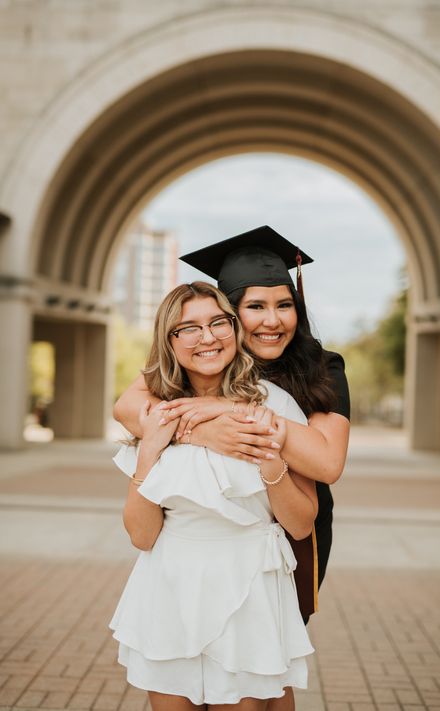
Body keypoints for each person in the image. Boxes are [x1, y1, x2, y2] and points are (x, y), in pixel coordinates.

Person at [114, 226, 350, 711]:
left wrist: (232, 417)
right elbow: (129, 407)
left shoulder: (318, 369)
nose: (271, 321)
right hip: (180, 568)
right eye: (254, 307)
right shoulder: (182, 377)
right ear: (236, 315)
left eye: (284, 305)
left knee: (264, 670)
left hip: (278, 539)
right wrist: (193, 430)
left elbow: (326, 464)